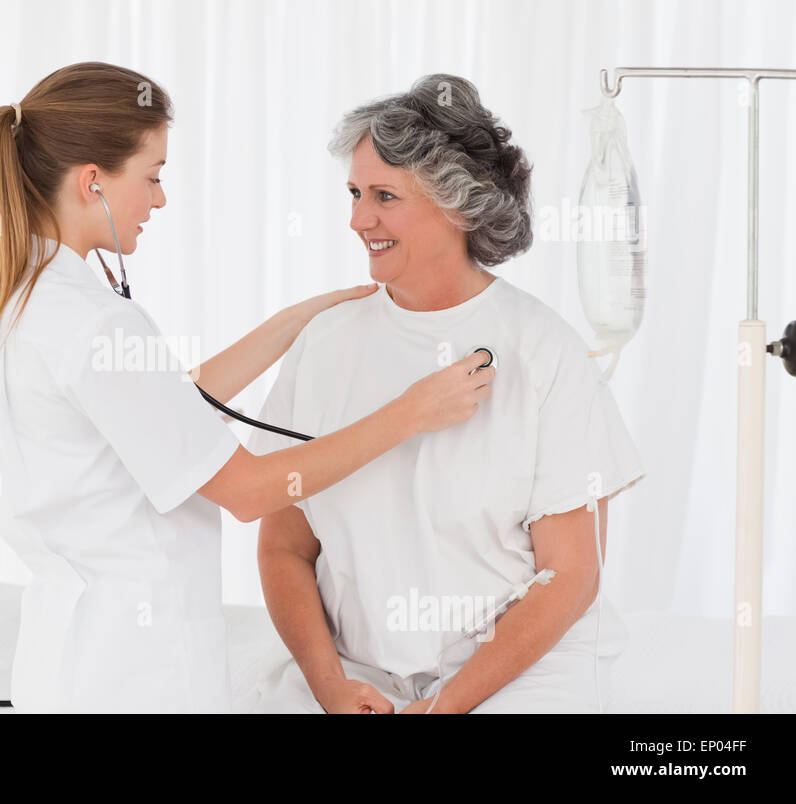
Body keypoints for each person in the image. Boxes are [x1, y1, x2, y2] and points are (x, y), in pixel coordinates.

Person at [0, 62, 496, 713]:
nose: (160, 199)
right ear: (93, 182)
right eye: (152, 176)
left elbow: (159, 408)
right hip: (137, 676)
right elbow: (248, 491)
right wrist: (411, 414)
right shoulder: (95, 323)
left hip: (61, 662)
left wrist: (291, 324)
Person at [251, 74, 646, 714]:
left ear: (460, 204)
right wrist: (330, 685)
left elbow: (570, 574)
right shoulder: (325, 343)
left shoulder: (542, 348)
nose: (357, 219)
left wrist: (442, 707)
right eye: (354, 193)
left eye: (383, 195)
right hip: (351, 673)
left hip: (515, 676)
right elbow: (283, 544)